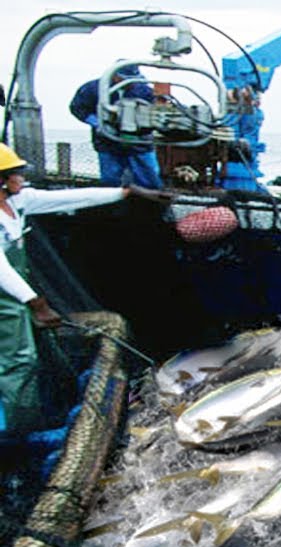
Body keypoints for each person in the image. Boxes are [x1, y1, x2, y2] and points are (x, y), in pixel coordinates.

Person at [0, 143, 167, 436]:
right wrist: (36, 302)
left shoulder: (19, 202)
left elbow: (68, 198)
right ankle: (18, 433)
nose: (22, 178)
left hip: (16, 297)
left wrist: (125, 192)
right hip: (8, 297)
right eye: (15, 173)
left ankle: (27, 417)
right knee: (18, 363)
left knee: (29, 355)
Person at [68, 64, 163, 189]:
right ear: (115, 76)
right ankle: (113, 202)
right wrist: (97, 122)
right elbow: (77, 107)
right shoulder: (93, 89)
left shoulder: (145, 91)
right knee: (111, 178)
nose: (131, 83)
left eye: (133, 79)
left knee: (149, 174)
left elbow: (157, 112)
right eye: (126, 79)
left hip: (139, 141)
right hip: (107, 141)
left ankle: (150, 201)